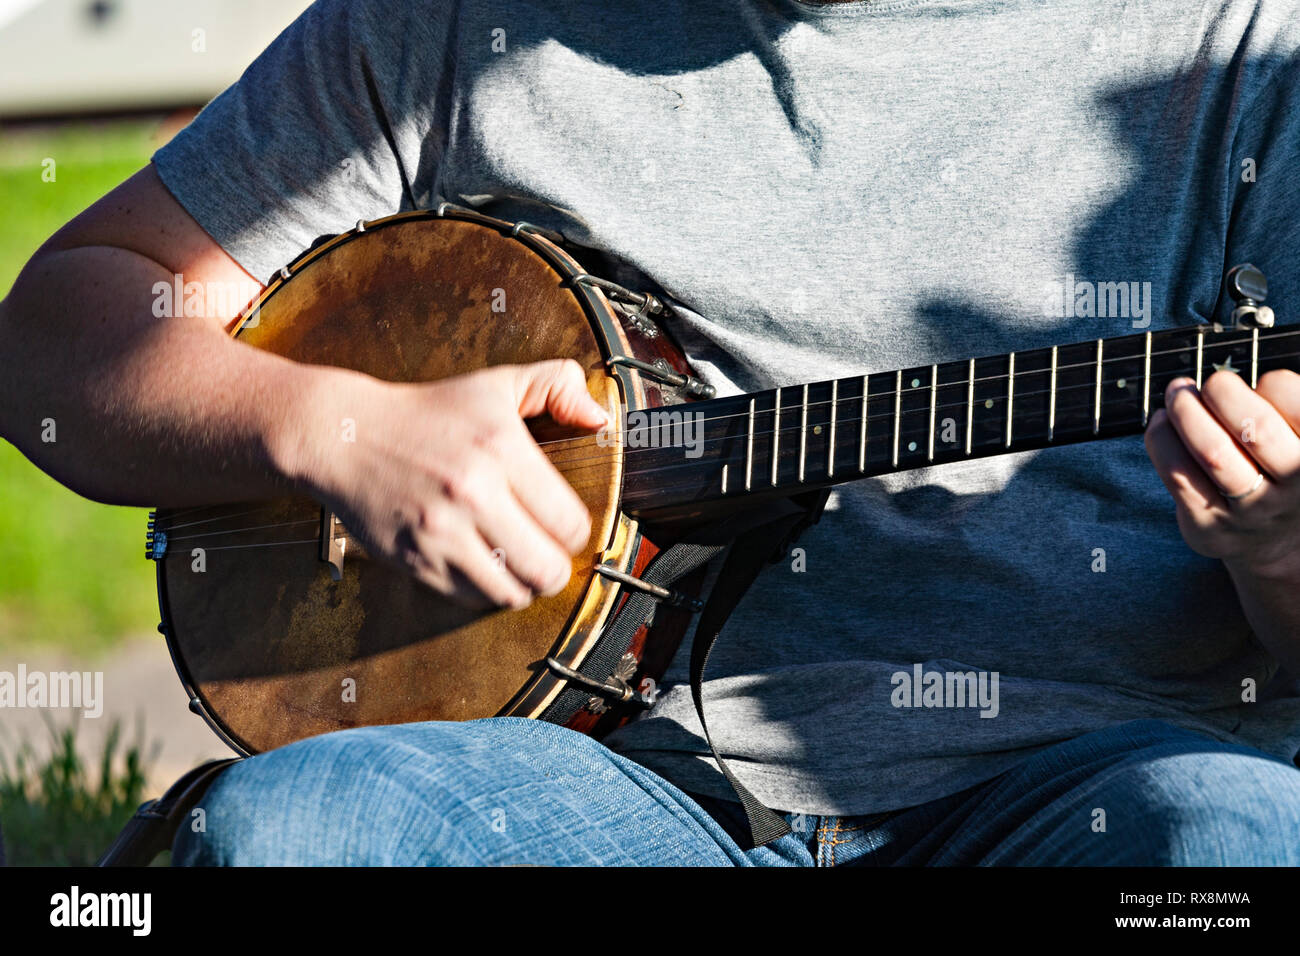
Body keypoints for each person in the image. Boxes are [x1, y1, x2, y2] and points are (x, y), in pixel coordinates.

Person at [4, 0, 1300, 866]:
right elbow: (55, 337)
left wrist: (1281, 548)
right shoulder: (465, 24)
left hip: (1076, 797)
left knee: (1241, 841)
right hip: (600, 797)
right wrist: (332, 426)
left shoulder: (1247, 55)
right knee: (300, 833)